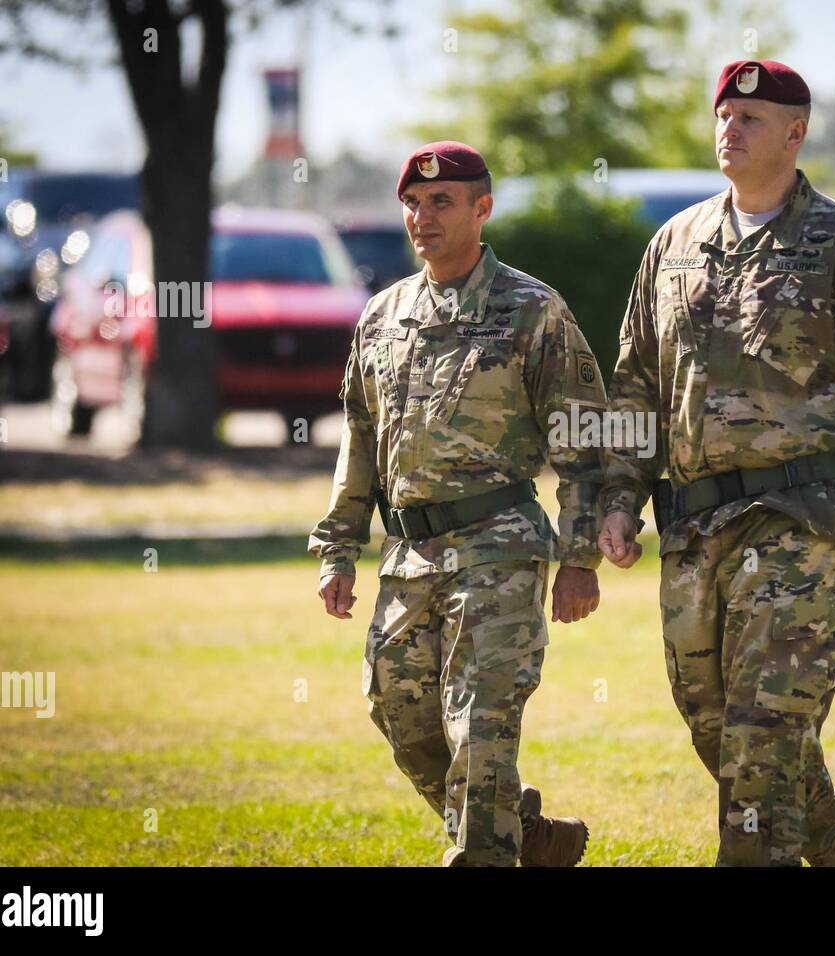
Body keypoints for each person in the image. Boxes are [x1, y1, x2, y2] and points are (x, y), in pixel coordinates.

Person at [597, 61, 835, 866]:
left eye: (752, 117)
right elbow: (635, 383)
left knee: (764, 732)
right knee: (713, 722)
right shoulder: (674, 244)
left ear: (795, 134)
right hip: (694, 523)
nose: (730, 127)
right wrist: (620, 500)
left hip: (806, 518)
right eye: (724, 113)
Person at [310, 141, 606, 866]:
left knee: (480, 726)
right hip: (408, 556)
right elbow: (360, 440)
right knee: (401, 713)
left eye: (441, 201)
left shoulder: (531, 309)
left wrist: (581, 556)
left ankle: (484, 852)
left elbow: (586, 442)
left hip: (499, 547)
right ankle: (522, 836)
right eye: (412, 203)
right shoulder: (382, 317)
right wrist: (338, 548)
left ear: (483, 209)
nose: (423, 216)